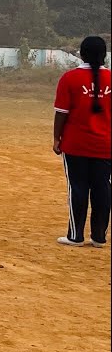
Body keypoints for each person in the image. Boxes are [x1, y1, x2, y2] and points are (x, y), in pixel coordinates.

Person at [53, 35, 111, 247]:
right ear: (104, 55)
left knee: (77, 188)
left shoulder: (69, 78)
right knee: (103, 188)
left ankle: (75, 235)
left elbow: (61, 113)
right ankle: (99, 236)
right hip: (106, 145)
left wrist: (56, 138)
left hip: (75, 144)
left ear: (82, 53)